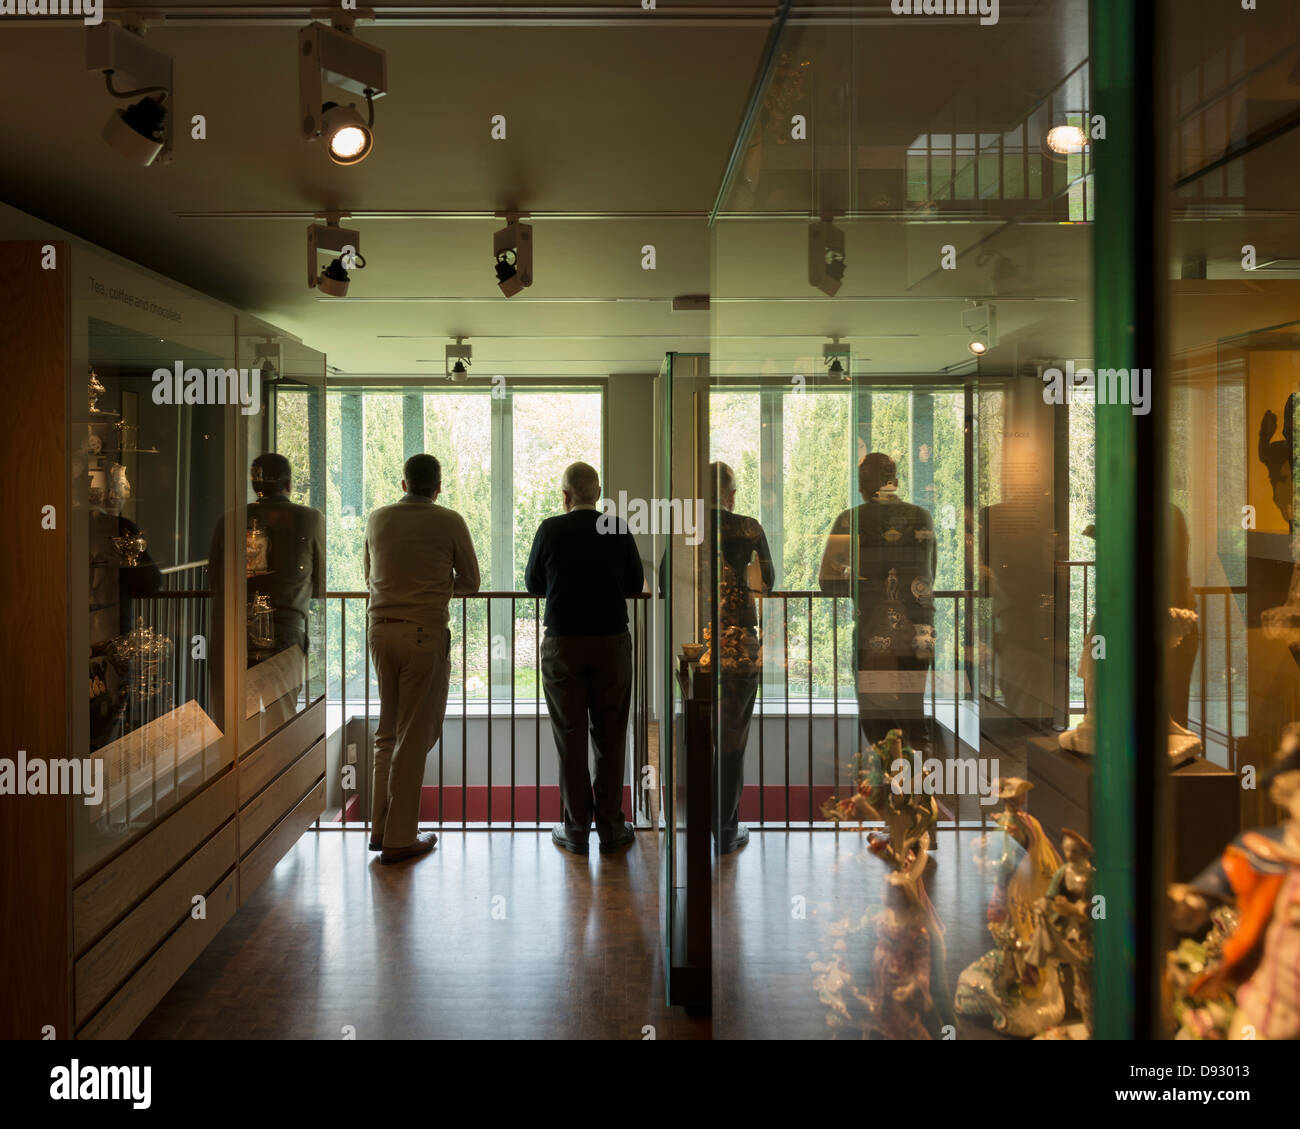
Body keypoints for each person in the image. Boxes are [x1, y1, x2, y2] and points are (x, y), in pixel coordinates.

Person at [364, 454, 480, 865]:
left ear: (403, 484)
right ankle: (399, 838)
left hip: (380, 631)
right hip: (423, 634)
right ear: (438, 486)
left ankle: (380, 828)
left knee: (387, 733)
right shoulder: (449, 521)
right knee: (414, 737)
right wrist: (436, 586)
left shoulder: (378, 519)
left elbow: (368, 575)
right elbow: (471, 582)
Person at [526, 461, 644, 854]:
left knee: (570, 736)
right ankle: (611, 827)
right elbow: (634, 583)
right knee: (611, 736)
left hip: (563, 645)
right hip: (612, 643)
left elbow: (533, 584)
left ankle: (575, 829)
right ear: (599, 494)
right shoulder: (617, 528)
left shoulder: (550, 529)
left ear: (565, 496)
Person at [819, 452, 937, 750]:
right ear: (894, 482)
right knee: (913, 719)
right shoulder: (921, 517)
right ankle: (915, 778)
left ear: (861, 486)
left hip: (873, 632)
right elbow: (929, 574)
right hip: (918, 631)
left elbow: (828, 583)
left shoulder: (849, 520)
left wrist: (855, 578)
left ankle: (887, 778)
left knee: (877, 724)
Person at [702, 462, 773, 853]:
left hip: (697, 645)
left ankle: (694, 826)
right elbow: (769, 581)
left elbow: (664, 578)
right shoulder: (749, 527)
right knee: (732, 737)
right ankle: (725, 828)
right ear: (731, 495)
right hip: (741, 644)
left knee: (697, 735)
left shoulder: (688, 526)